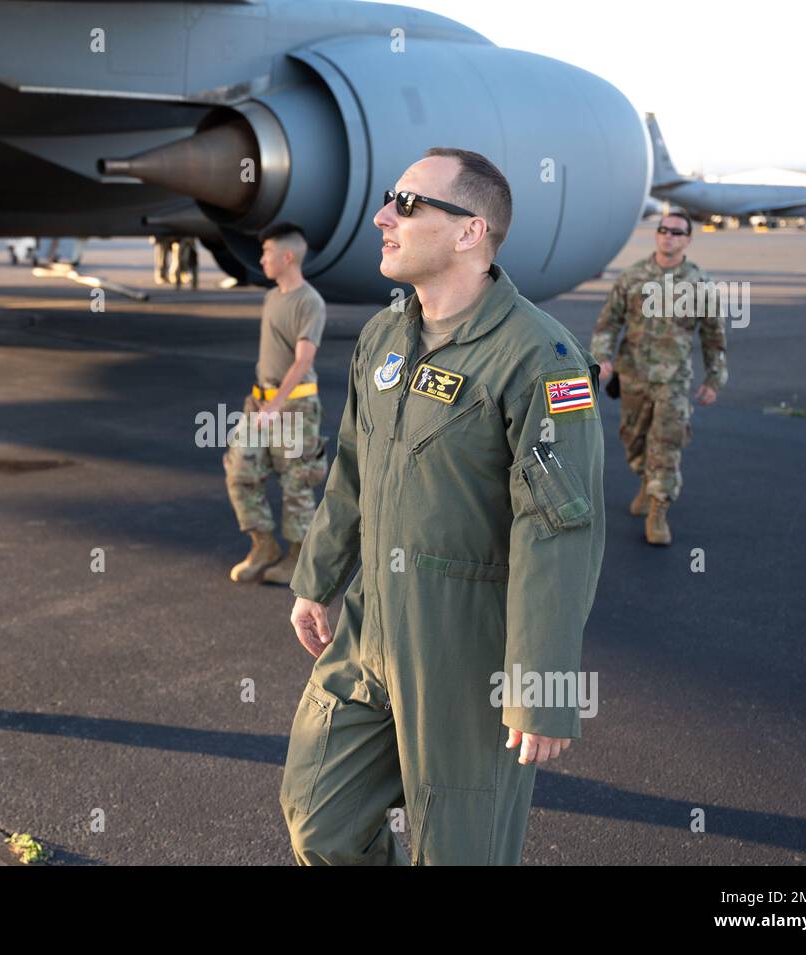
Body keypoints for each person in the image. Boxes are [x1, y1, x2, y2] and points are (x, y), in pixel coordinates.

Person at [280, 149, 606, 865]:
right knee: (317, 818)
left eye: (407, 202)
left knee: (458, 848)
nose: (382, 216)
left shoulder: (539, 356)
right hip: (370, 626)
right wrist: (318, 577)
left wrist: (540, 678)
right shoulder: (382, 337)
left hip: (467, 646)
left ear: (470, 232)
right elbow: (354, 466)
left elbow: (558, 525)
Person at [590, 211, 727, 545]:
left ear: (688, 240)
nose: (669, 236)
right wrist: (602, 358)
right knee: (633, 440)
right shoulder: (632, 277)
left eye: (677, 233)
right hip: (632, 375)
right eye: (663, 230)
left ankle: (658, 510)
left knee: (666, 444)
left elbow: (713, 336)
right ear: (657, 235)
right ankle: (645, 480)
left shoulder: (700, 283)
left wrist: (714, 378)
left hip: (674, 380)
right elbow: (608, 323)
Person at [223, 222, 328, 584]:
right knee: (240, 471)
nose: (262, 258)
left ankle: (298, 560)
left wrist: (275, 406)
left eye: (267, 252)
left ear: (287, 257)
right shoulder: (272, 297)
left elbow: (303, 360)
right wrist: (262, 405)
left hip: (294, 408)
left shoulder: (309, 302)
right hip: (261, 402)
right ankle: (263, 545)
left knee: (296, 482)